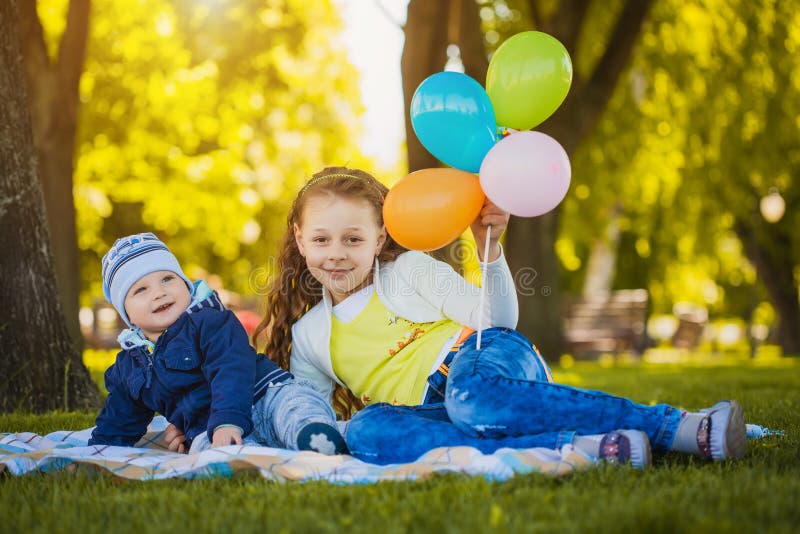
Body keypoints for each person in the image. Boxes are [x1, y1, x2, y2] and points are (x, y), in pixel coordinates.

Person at [255, 167, 747, 467]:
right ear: (300, 239)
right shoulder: (310, 336)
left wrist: (488, 250)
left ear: (380, 238)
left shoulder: (408, 271)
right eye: (321, 239)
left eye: (353, 239)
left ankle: (679, 427)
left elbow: (498, 320)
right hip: (432, 412)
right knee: (367, 432)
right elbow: (310, 413)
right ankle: (592, 446)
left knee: (471, 400)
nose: (336, 254)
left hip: (486, 360)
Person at [89, 232, 348, 456]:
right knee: (205, 447)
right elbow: (120, 416)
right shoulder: (130, 367)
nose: (159, 292)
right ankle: (246, 460)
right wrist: (99, 450)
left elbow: (230, 368)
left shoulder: (209, 322)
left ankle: (315, 436)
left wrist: (227, 421)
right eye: (141, 290)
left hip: (264, 395)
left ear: (185, 285)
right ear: (126, 313)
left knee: (295, 406)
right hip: (208, 426)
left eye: (167, 279)